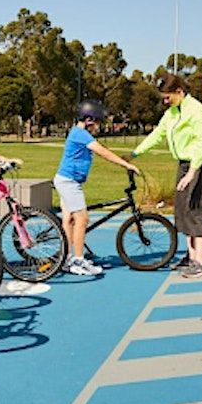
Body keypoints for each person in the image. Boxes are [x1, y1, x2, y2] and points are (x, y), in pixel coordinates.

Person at [131, 74, 202, 279]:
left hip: (201, 164)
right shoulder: (171, 113)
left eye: (168, 97)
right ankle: (190, 256)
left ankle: (200, 263)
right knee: (183, 211)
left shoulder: (196, 111)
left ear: (179, 92)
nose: (165, 101)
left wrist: (192, 172)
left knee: (196, 211)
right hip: (184, 163)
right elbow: (158, 134)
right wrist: (135, 153)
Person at [53, 100, 140, 276]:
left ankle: (68, 257)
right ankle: (78, 260)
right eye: (98, 122)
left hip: (66, 180)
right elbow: (104, 152)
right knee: (82, 219)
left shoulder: (78, 132)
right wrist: (127, 165)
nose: (98, 126)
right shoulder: (81, 134)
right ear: (89, 119)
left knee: (69, 219)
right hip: (69, 182)